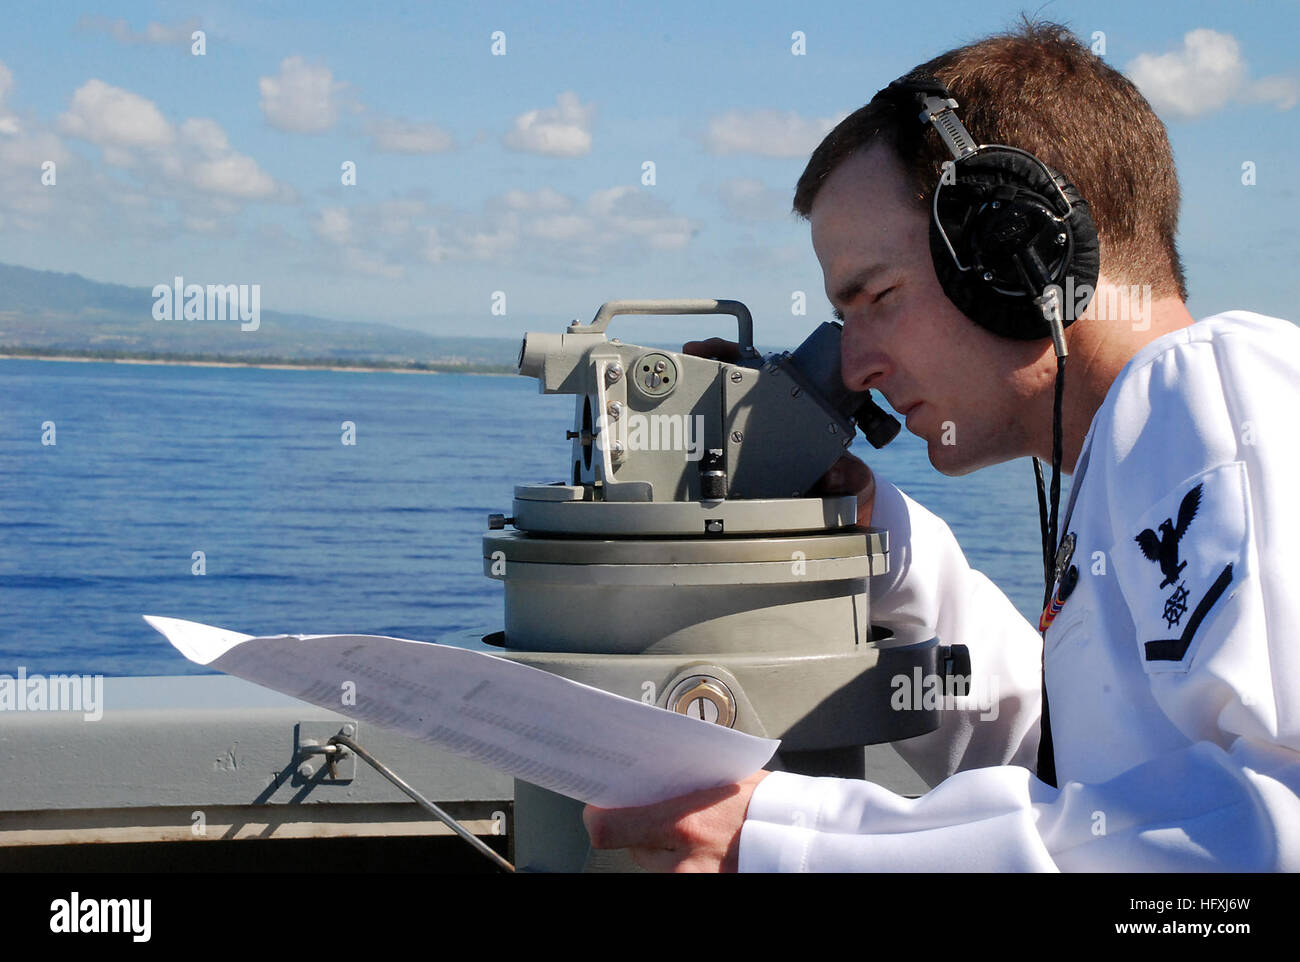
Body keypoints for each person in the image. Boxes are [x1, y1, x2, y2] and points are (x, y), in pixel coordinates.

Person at [581, 19, 1300, 871]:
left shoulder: (1212, 380)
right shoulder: (1133, 455)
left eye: (877, 295)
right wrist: (873, 541)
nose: (856, 363)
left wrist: (789, 843)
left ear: (1016, 250)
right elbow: (1075, 776)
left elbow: (1264, 841)